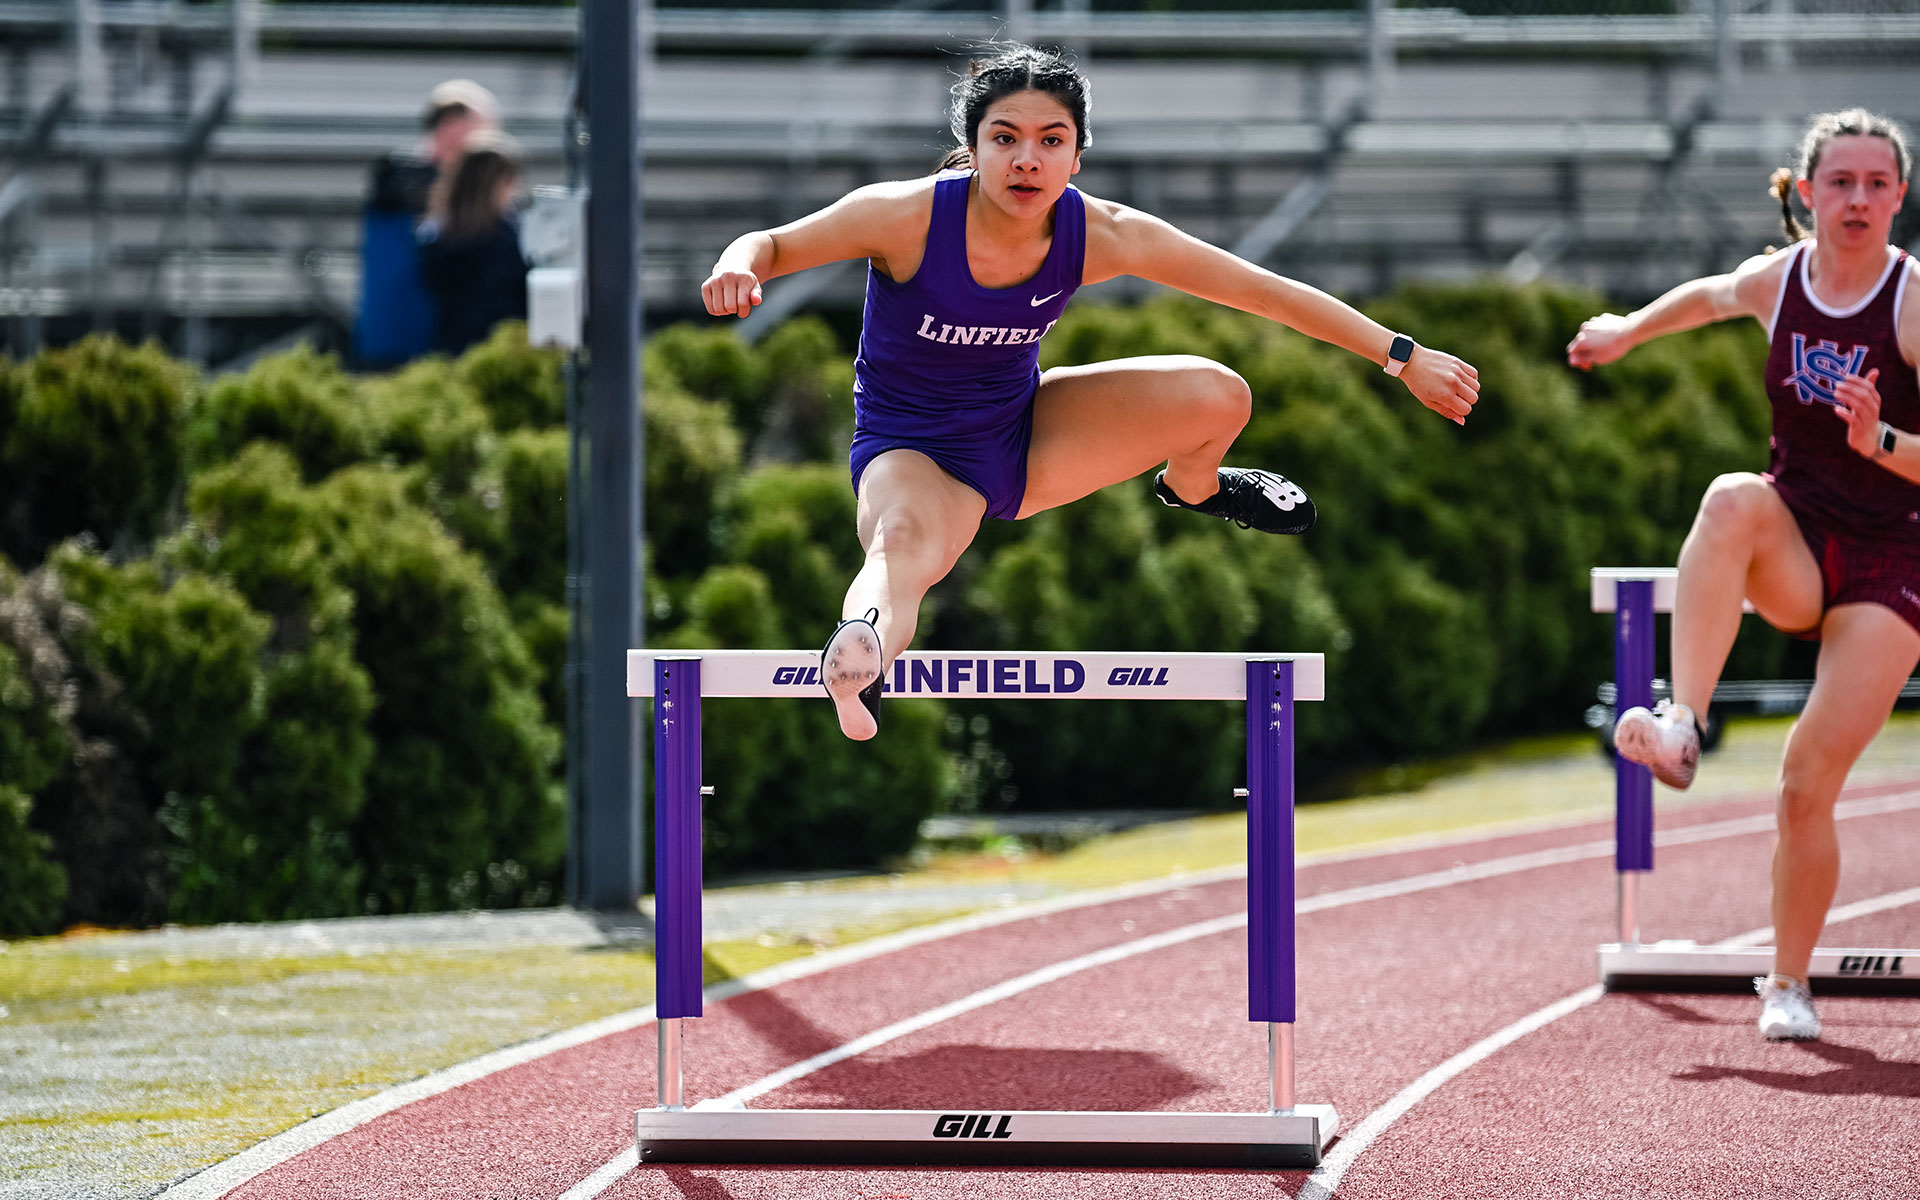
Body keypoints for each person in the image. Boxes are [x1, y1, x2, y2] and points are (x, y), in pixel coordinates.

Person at [702, 44, 1480, 742]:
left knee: (1220, 395)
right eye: (1004, 139)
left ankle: (1196, 488)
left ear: (1077, 156)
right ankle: (857, 650)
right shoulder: (903, 217)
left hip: (1025, 430)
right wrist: (739, 265)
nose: (1026, 161)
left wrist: (1400, 356)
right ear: (972, 149)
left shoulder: (1103, 234)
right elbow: (771, 244)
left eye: (1050, 142)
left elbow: (1262, 292)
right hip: (915, 448)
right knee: (901, 545)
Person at [1566, 108, 1917, 1043]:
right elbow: (1708, 295)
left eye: (1876, 184)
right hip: (1796, 539)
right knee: (1729, 497)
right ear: (1806, 195)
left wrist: (1879, 440)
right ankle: (1683, 726)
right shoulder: (1781, 279)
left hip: (1895, 562)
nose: (1857, 200)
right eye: (1839, 182)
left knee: (1805, 781)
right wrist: (1627, 332)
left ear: (1899, 197)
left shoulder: (1911, 302)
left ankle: (1790, 983)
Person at [353, 80, 502, 367]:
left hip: (432, 340)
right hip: (406, 341)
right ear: (452, 128)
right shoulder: (403, 180)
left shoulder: (424, 184)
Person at [419, 130, 530, 355]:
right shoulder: (507, 238)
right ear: (499, 183)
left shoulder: (436, 234)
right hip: (503, 350)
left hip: (450, 347)